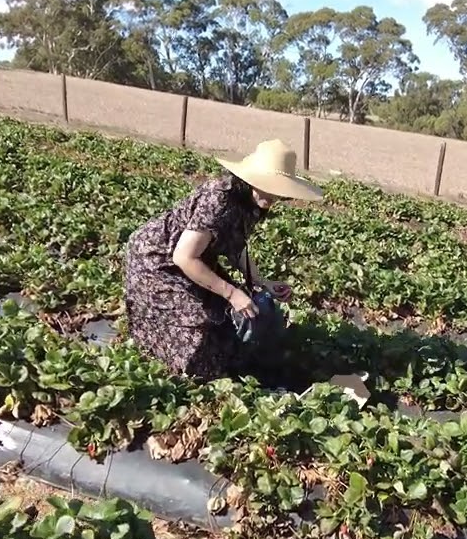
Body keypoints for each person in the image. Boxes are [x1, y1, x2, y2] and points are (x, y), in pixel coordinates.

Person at [123, 139, 324, 381]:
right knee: (198, 345)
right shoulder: (218, 198)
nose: (274, 196)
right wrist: (231, 293)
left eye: (280, 191)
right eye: (270, 187)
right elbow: (184, 257)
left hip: (197, 258)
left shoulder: (255, 203)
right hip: (156, 261)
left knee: (226, 320)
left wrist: (262, 282)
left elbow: (236, 246)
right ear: (251, 179)